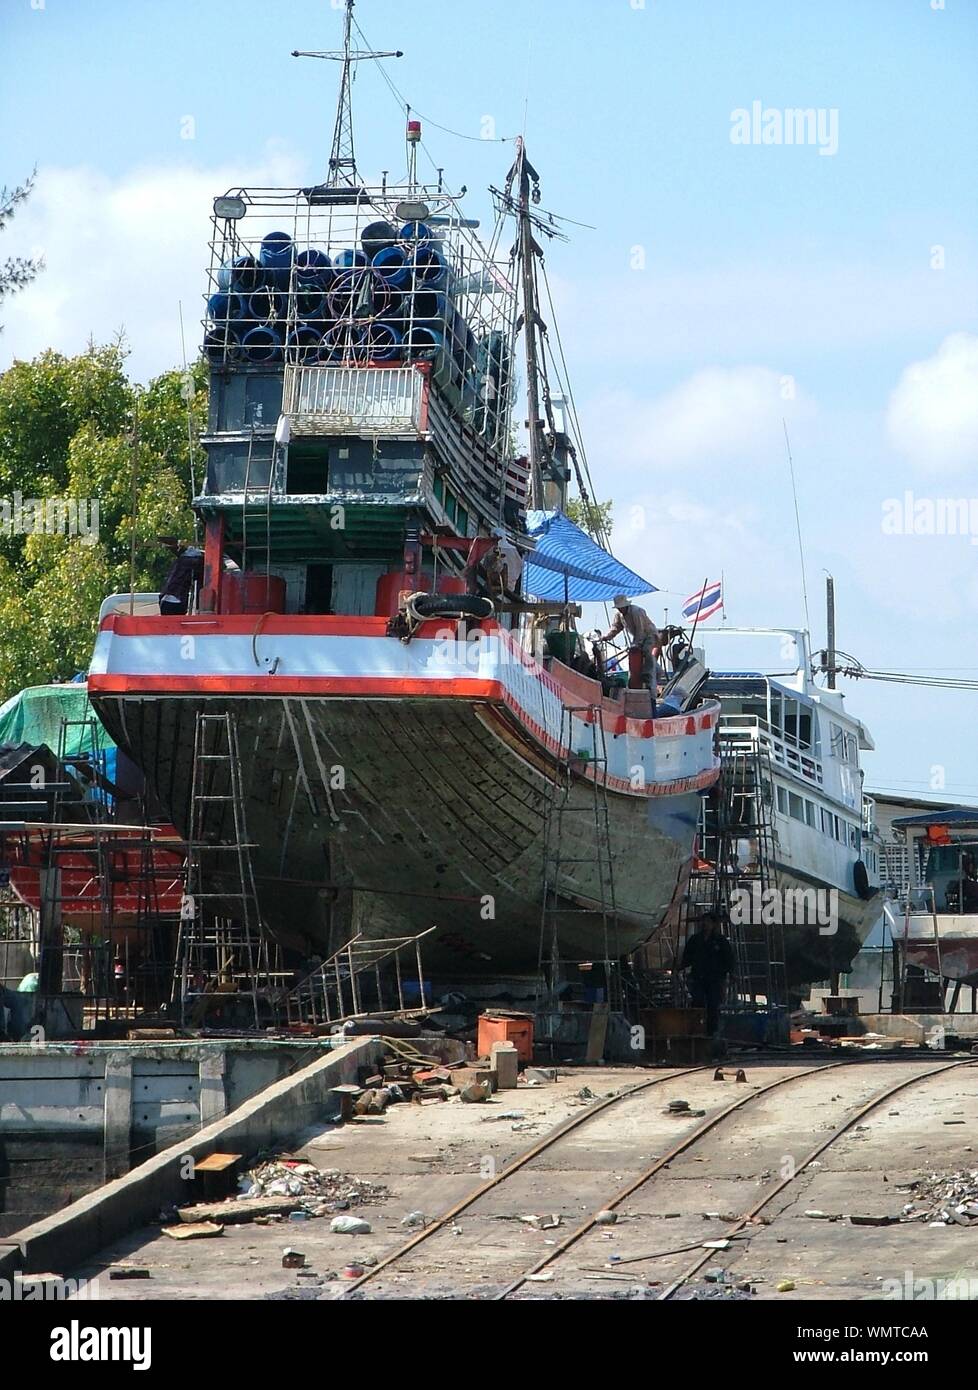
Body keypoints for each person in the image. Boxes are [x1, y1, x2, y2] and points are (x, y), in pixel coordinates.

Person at [679, 911, 735, 1036]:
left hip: (715, 978)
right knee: (697, 1003)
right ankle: (696, 1030)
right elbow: (687, 956)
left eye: (708, 922)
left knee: (713, 1005)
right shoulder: (695, 940)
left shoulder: (720, 941)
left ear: (714, 924)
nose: (705, 924)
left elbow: (728, 958)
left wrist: (731, 973)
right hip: (698, 976)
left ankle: (711, 1032)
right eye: (703, 921)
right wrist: (681, 967)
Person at [599, 594, 662, 689]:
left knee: (646, 650)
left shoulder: (636, 611)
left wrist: (636, 644)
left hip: (649, 634)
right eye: (618, 608)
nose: (620, 610)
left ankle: (647, 675)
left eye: (621, 607)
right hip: (638, 635)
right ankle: (657, 670)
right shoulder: (619, 615)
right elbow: (616, 628)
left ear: (626, 605)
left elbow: (640, 629)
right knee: (637, 653)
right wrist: (607, 637)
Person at [159, 540, 204, 616]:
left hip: (166, 599)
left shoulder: (178, 562)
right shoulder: (195, 562)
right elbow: (201, 585)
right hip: (178, 600)